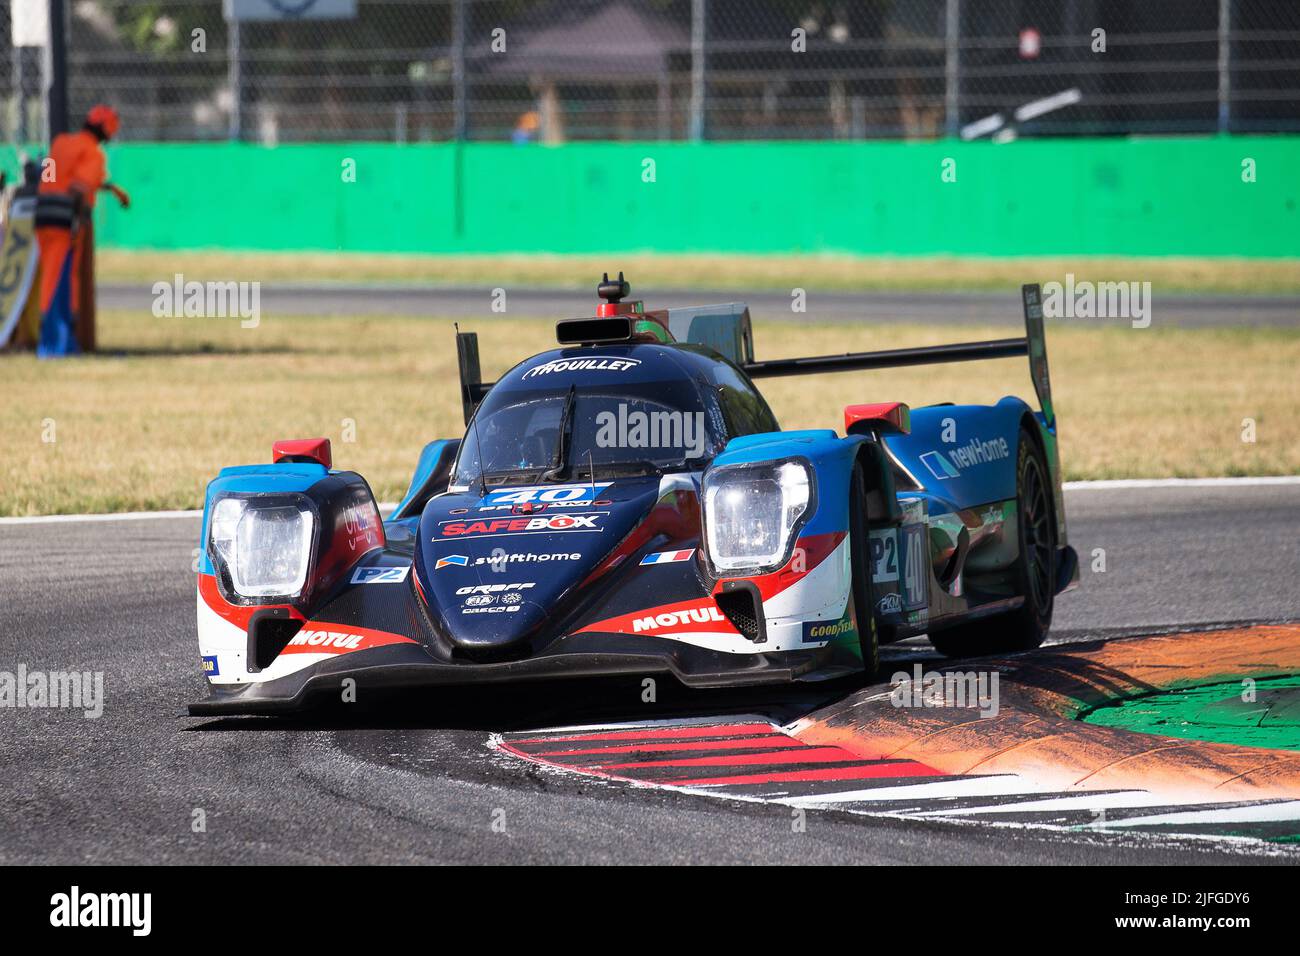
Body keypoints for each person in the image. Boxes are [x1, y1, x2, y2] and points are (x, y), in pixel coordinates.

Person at [35, 104, 130, 356]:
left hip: (43, 215)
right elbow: (78, 188)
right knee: (60, 281)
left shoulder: (61, 142)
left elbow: (50, 176)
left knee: (51, 277)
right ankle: (55, 345)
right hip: (64, 222)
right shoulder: (94, 154)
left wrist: (110, 189)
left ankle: (60, 343)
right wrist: (77, 220)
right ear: (105, 130)